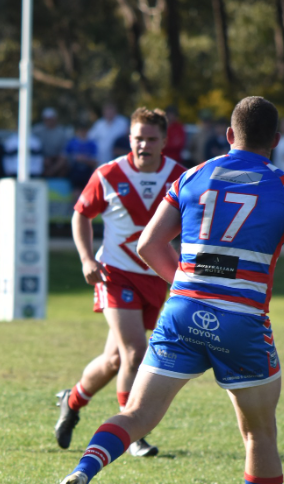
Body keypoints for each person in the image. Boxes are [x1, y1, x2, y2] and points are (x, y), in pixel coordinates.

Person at [32, 96, 284, 484]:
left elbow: (149, 243)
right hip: (242, 323)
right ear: (275, 141)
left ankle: (84, 470)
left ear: (228, 136)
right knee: (259, 435)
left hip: (183, 312)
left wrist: (188, 287)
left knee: (134, 416)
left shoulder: (191, 176)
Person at [55, 107, 186, 456]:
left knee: (115, 360)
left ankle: (72, 399)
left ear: (164, 141)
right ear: (129, 138)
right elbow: (81, 214)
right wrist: (85, 258)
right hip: (114, 273)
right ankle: (133, 431)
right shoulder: (109, 173)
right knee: (135, 352)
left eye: (151, 138)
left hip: (157, 278)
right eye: (138, 138)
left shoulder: (181, 177)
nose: (144, 144)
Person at [65, 121, 98, 197]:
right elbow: (65, 158)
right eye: (81, 130)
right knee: (75, 193)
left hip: (87, 171)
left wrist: (84, 159)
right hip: (75, 171)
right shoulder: (72, 143)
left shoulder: (92, 144)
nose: (83, 132)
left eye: (84, 130)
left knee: (87, 194)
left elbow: (95, 161)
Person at [33, 107, 69, 177]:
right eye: (47, 119)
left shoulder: (62, 132)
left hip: (56, 158)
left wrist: (54, 168)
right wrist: (43, 158)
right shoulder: (37, 131)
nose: (49, 121)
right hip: (42, 158)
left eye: (51, 119)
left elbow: (64, 151)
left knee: (63, 162)